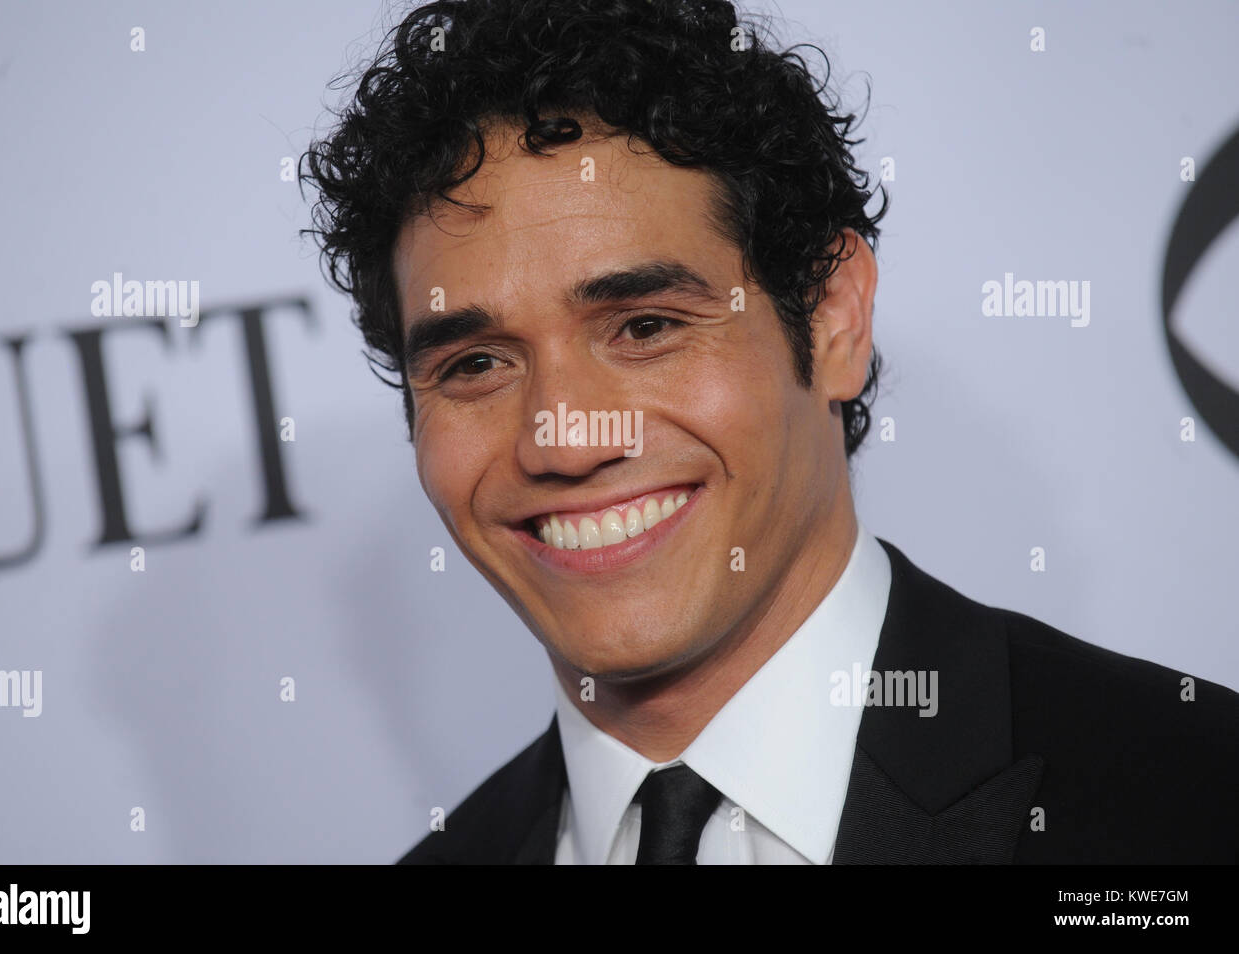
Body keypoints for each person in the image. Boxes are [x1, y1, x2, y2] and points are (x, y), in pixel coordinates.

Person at [301, 0, 1238, 864]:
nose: (563, 440)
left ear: (833, 320)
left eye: (646, 327)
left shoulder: (1188, 800)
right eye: (475, 365)